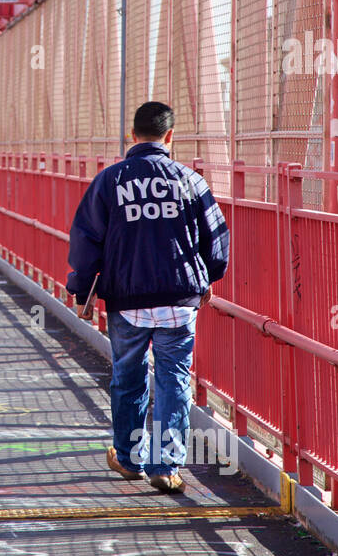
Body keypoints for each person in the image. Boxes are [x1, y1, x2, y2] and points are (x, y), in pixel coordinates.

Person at [66, 101, 230, 494]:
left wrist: (80, 290)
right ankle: (167, 466)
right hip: (179, 298)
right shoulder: (191, 181)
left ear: (132, 136)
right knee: (174, 379)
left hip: (128, 299)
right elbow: (218, 242)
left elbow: (87, 242)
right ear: (170, 137)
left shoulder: (109, 181)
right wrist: (208, 277)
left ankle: (128, 457)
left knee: (129, 375)